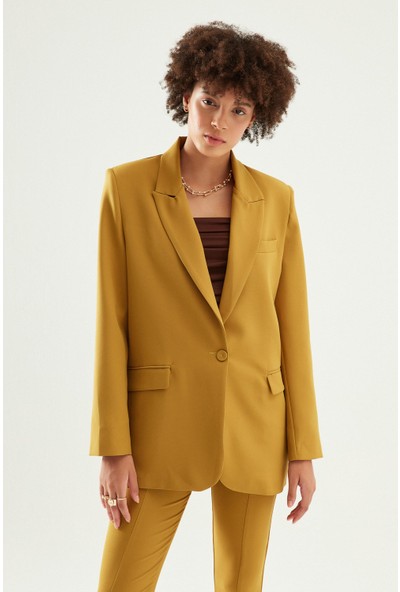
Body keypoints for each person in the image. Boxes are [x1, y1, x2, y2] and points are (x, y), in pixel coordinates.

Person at [89, 20, 323, 592]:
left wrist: (303, 448)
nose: (219, 121)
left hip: (255, 424)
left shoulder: (277, 200)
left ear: (256, 118)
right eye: (209, 101)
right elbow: (111, 323)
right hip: (158, 429)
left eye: (239, 110)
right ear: (185, 95)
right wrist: (112, 446)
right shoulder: (127, 188)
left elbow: (293, 327)